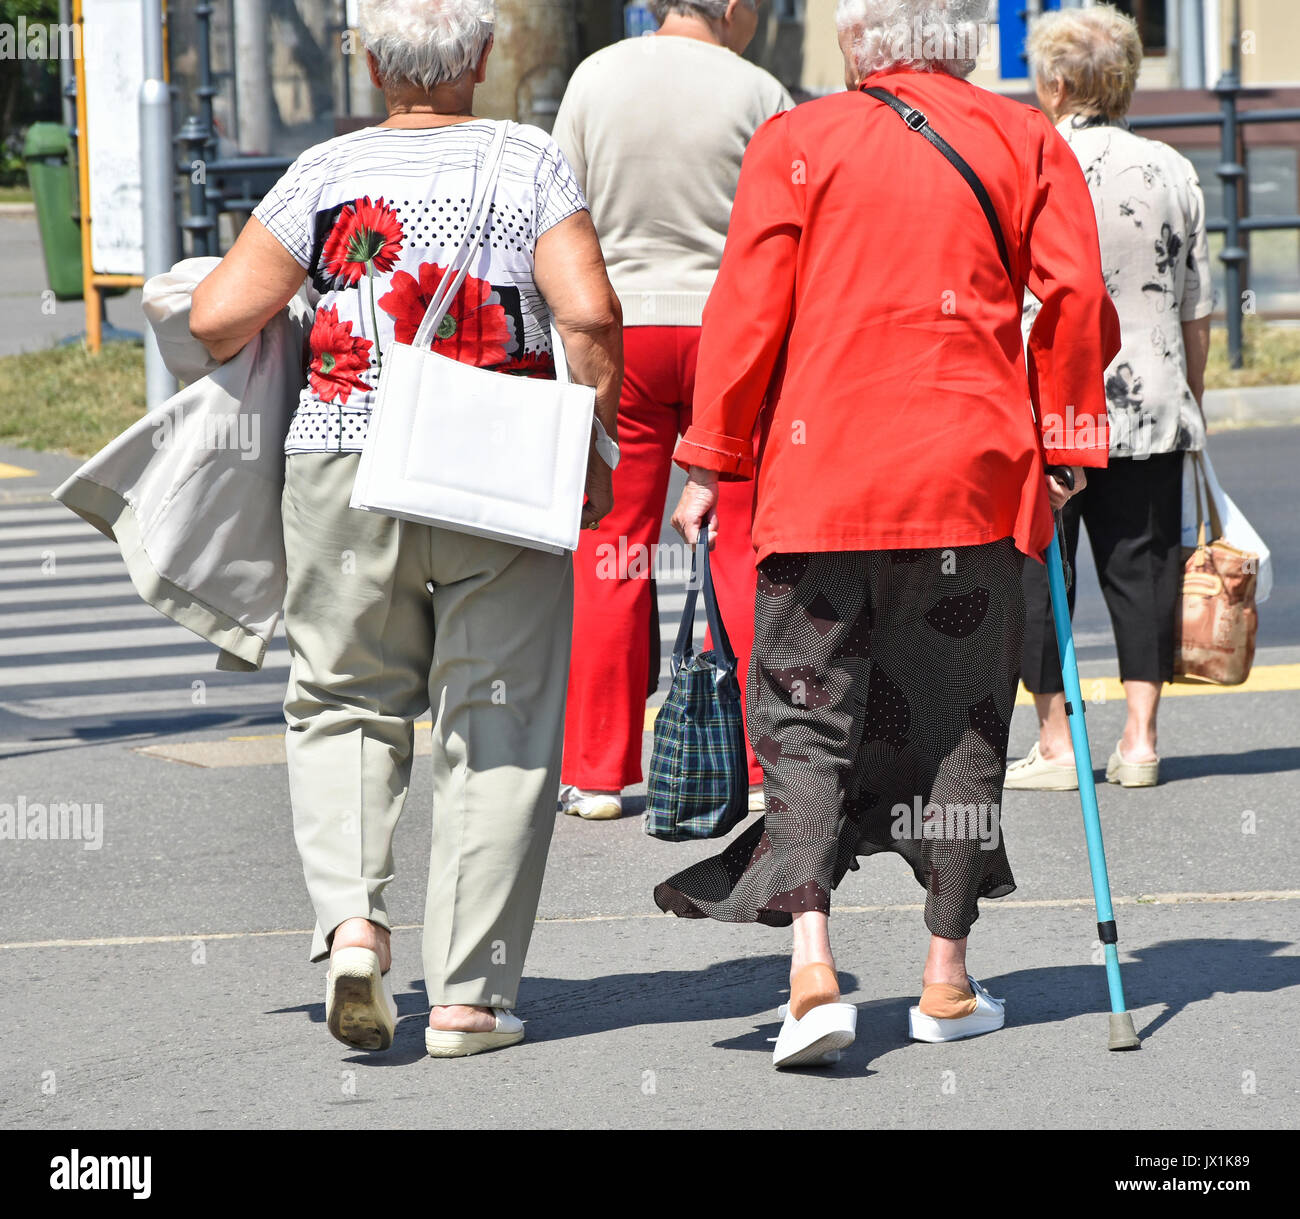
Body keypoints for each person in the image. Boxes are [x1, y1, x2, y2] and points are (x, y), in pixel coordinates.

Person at [655, 0, 1120, 1068]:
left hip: (822, 479)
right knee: (960, 723)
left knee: (807, 712)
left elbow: (746, 313)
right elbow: (1076, 292)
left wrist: (709, 459)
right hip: (971, 478)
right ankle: (945, 978)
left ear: (856, 42)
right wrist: (1064, 447)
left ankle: (810, 965)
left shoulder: (798, 142)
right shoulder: (1024, 139)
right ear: (964, 38)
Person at [189, 0, 622, 1058]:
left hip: (342, 460)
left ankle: (353, 929)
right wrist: (593, 445)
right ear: (478, 56)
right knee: (499, 718)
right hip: (497, 467)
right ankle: (469, 1000)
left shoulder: (324, 174)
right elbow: (589, 312)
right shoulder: (525, 159)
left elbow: (216, 318)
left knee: (341, 699)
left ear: (373, 59)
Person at [551, 0, 792, 821]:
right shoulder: (758, 92)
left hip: (622, 326)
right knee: (743, 544)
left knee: (611, 545)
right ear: (729, 8)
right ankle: (759, 760)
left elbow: (558, 211)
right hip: (731, 331)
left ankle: (596, 767)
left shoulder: (594, 79)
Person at [1006, 5, 1213, 792]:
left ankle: (1056, 742)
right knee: (1146, 565)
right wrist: (1194, 398)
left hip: (1051, 405)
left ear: (1057, 82)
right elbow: (1196, 304)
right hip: (1153, 397)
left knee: (1037, 571)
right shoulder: (1172, 168)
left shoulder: (1029, 159)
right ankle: (1140, 738)